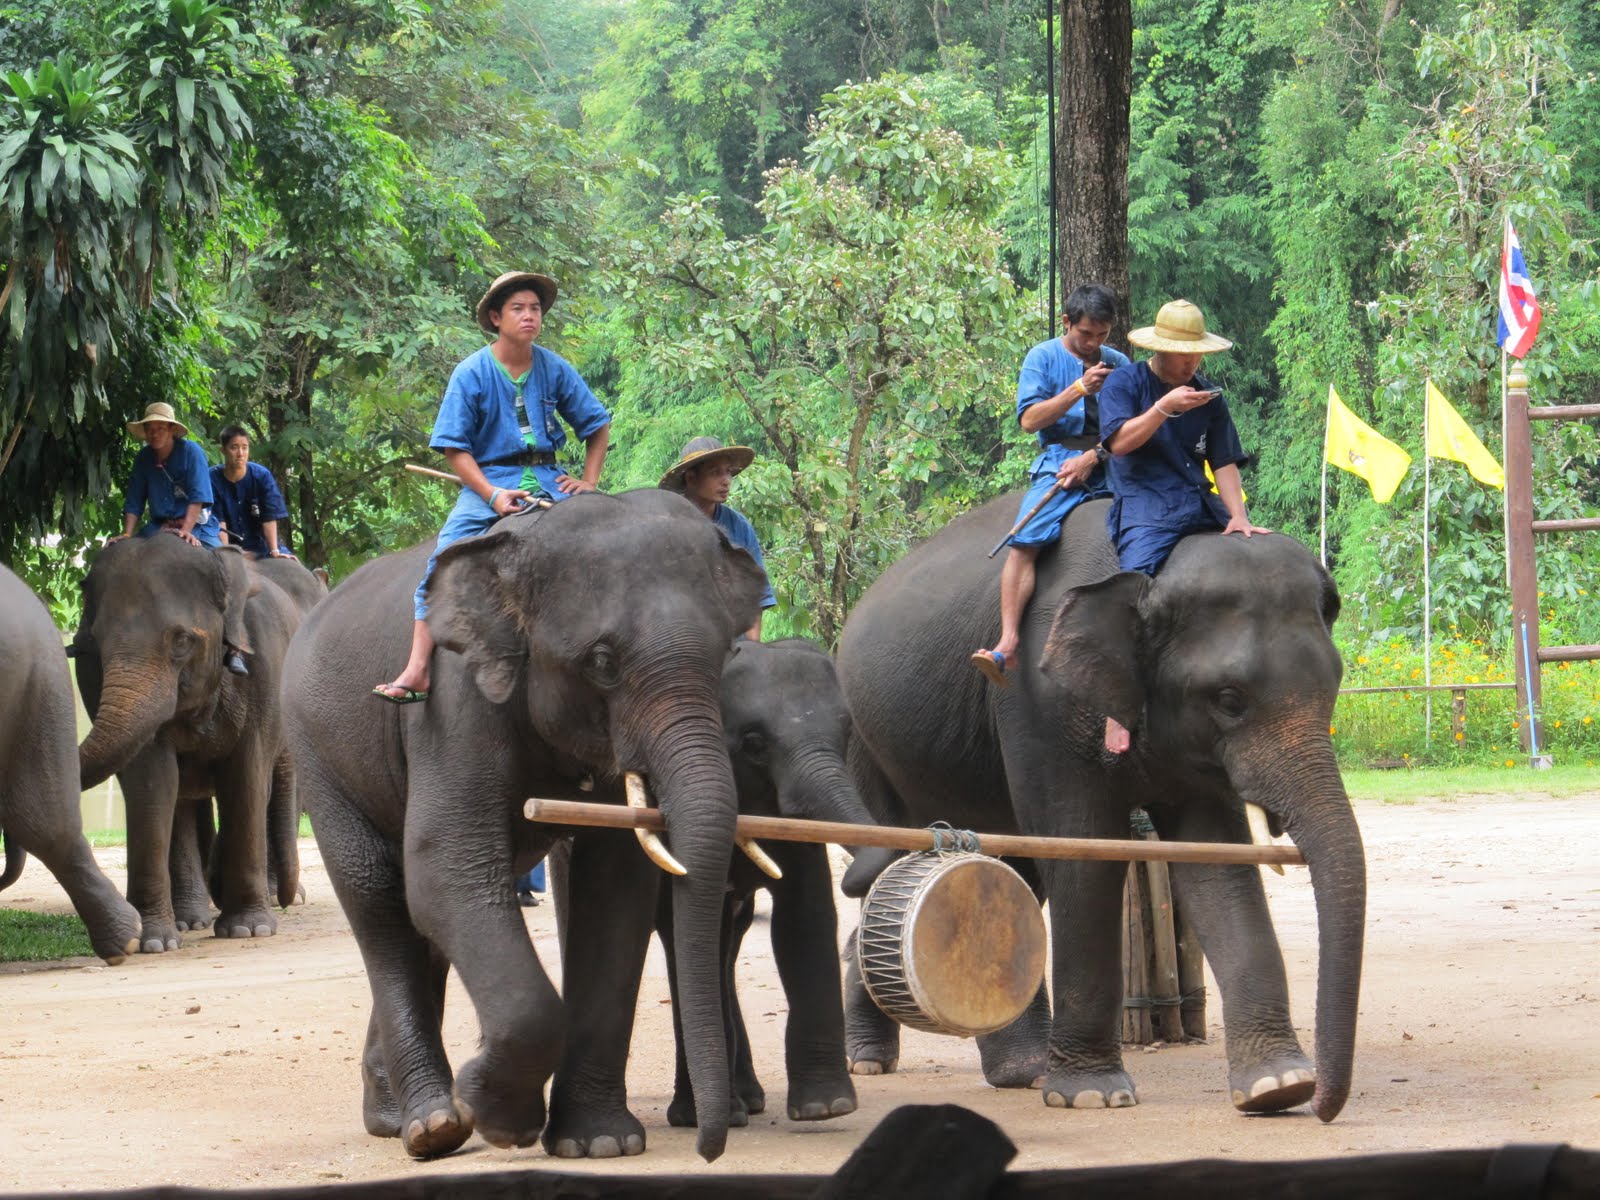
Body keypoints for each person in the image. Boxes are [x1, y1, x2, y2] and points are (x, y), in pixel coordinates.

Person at [372, 271, 612, 704]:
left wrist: (589, 482)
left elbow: (597, 425)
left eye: (535, 308)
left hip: (550, 480)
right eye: (518, 309)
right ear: (496, 318)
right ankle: (418, 665)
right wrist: (491, 494)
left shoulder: (555, 368)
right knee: (442, 560)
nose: (529, 316)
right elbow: (455, 448)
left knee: (611, 547)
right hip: (489, 485)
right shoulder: (471, 373)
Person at [972, 284, 1129, 688]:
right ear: (1067, 322)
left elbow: (1127, 426)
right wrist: (1079, 388)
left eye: (1102, 335)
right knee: (1025, 541)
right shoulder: (1041, 357)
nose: (1093, 343)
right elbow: (1030, 420)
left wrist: (1095, 457)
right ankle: (1008, 641)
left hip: (1110, 460)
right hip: (1059, 461)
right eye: (1086, 334)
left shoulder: (1118, 362)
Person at [1098, 297, 1267, 583]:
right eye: (1182, 353)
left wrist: (1238, 515)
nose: (1192, 362)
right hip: (1147, 508)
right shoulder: (1124, 382)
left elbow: (1224, 461)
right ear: (1161, 349)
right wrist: (1163, 407)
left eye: (1197, 353)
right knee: (1134, 587)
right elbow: (1118, 444)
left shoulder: (1209, 396)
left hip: (1201, 503)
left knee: (1258, 568)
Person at [109, 402, 248, 674]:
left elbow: (198, 496)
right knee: (115, 559)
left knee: (231, 565)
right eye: (150, 429)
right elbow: (134, 501)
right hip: (158, 527)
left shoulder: (191, 452)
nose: (154, 434)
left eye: (160, 428)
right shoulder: (143, 459)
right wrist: (127, 534)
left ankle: (234, 645)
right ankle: (97, 635)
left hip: (197, 526)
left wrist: (186, 529)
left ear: (172, 430)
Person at [659, 436, 776, 642]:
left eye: (728, 471)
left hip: (736, 645)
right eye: (715, 472)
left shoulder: (739, 527)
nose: (726, 480)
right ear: (691, 478)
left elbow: (755, 595)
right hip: (685, 643)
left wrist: (753, 650)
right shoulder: (668, 527)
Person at [210, 426, 294, 558]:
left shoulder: (262, 476)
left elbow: (269, 518)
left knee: (291, 565)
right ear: (223, 450)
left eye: (244, 447)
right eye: (234, 447)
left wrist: (274, 551)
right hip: (228, 547)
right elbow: (219, 523)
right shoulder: (212, 478)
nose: (240, 453)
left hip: (262, 546)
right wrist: (228, 555)